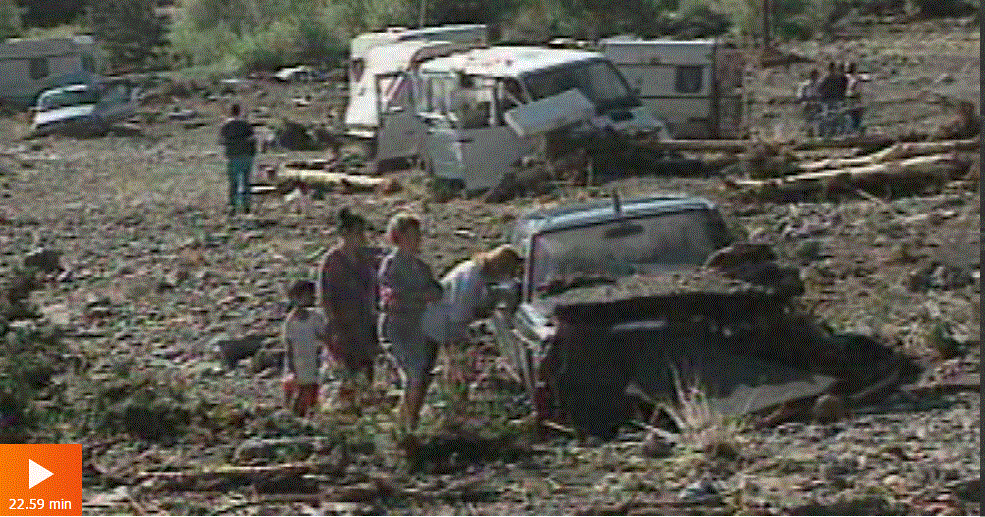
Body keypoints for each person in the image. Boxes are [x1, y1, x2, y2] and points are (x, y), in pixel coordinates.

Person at [422, 245, 523, 418]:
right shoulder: (472, 277)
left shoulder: (475, 272)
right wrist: (486, 310)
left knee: (449, 368)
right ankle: (452, 408)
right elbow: (460, 313)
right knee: (447, 368)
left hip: (440, 323)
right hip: (439, 325)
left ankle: (452, 406)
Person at [378, 213, 443, 432]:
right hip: (398, 329)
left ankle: (408, 423)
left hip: (418, 329)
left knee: (421, 380)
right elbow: (391, 298)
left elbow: (436, 291)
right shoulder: (391, 265)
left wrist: (425, 295)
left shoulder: (422, 267)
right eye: (412, 235)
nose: (417, 240)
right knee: (413, 376)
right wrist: (419, 296)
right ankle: (402, 427)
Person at [317, 207, 381, 411]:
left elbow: (374, 288)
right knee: (345, 371)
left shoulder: (365, 260)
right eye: (357, 233)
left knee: (366, 369)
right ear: (345, 234)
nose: (362, 238)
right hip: (343, 325)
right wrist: (332, 325)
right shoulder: (332, 261)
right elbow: (325, 297)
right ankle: (346, 411)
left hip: (365, 322)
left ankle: (362, 408)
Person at [282, 280, 329, 417]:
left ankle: (310, 417)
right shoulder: (290, 321)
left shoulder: (315, 317)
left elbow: (323, 336)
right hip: (298, 362)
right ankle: (296, 416)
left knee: (313, 390)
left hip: (312, 360)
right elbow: (289, 346)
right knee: (300, 391)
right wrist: (291, 366)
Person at [219, 103, 257, 215]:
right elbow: (253, 139)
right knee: (246, 182)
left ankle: (233, 206)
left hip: (233, 157)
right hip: (246, 156)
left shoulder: (226, 126)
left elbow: (221, 141)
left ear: (231, 112)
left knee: (233, 183)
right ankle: (246, 206)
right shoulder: (246, 125)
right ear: (240, 111)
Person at [796, 69, 820, 136]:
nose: (815, 77)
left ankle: (815, 134)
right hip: (807, 106)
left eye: (816, 76)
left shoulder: (820, 85)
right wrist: (806, 101)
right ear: (810, 76)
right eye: (813, 75)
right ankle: (806, 133)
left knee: (816, 124)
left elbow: (821, 95)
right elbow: (800, 96)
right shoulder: (805, 85)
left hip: (816, 106)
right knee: (807, 123)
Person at [844, 62, 864, 133]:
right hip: (850, 98)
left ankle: (856, 131)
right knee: (851, 116)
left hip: (855, 99)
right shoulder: (847, 77)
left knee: (857, 116)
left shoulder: (857, 78)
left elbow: (859, 91)